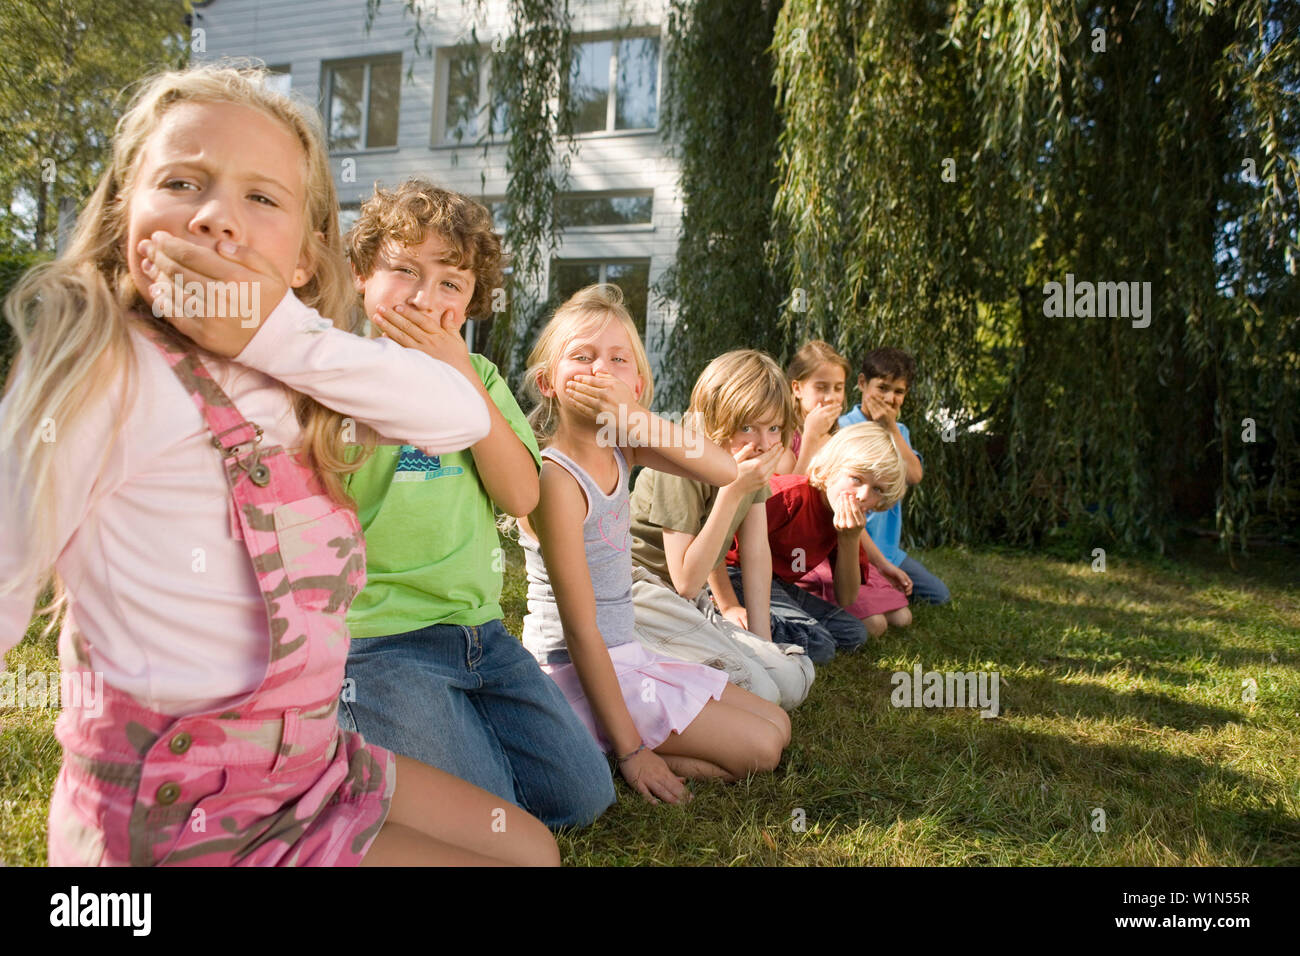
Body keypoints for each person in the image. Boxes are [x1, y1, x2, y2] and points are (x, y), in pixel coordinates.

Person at [0, 66, 557, 866]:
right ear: (125, 211)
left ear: (304, 256)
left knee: (531, 849)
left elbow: (459, 413)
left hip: (312, 765)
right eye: (184, 181)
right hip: (178, 812)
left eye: (262, 198)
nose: (219, 217)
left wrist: (266, 333)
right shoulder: (102, 370)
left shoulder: (302, 366)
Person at [336, 179, 615, 829]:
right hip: (379, 642)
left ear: (471, 302)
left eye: (449, 284)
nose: (424, 297)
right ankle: (349, 739)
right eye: (403, 270)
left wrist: (462, 376)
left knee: (582, 798)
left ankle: (436, 733)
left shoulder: (483, 381)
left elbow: (521, 494)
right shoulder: (337, 376)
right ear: (360, 276)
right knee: (492, 817)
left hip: (481, 636)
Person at [518, 285, 791, 805]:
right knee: (761, 751)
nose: (601, 369)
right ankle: (611, 744)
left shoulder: (624, 444)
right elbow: (579, 630)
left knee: (776, 723)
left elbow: (723, 468)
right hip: (578, 668)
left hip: (628, 653)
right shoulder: (558, 480)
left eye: (618, 359)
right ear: (547, 383)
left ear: (637, 385)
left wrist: (636, 418)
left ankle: (619, 740)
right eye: (582, 356)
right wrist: (631, 751)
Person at [627, 349, 817, 697]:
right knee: (766, 693)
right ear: (716, 420)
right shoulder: (682, 460)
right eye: (748, 428)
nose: (763, 444)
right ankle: (652, 666)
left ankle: (702, 662)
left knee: (791, 681)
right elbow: (685, 580)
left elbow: (756, 553)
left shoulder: (749, 462)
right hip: (643, 590)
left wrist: (764, 642)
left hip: (686, 600)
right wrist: (732, 491)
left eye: (774, 428)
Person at [728, 423, 913, 644]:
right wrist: (728, 603)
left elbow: (846, 597)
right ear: (830, 469)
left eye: (877, 489)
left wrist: (849, 540)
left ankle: (782, 622)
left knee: (854, 634)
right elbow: (718, 545)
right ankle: (728, 622)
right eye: (857, 479)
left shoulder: (844, 521)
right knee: (821, 644)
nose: (864, 495)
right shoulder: (787, 497)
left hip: (777, 583)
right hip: (737, 575)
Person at [840, 347, 951, 605]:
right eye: (882, 388)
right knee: (882, 604)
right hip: (853, 543)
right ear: (862, 383)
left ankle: (885, 580)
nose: (890, 398)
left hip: (889, 550)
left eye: (898, 391)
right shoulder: (842, 427)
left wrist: (889, 427)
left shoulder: (900, 431)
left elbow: (913, 475)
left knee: (938, 596)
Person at [775, 340, 850, 476]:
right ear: (797, 389)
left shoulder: (841, 438)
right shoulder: (782, 436)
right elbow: (789, 492)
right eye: (821, 388)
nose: (831, 397)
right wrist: (811, 438)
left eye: (838, 388)